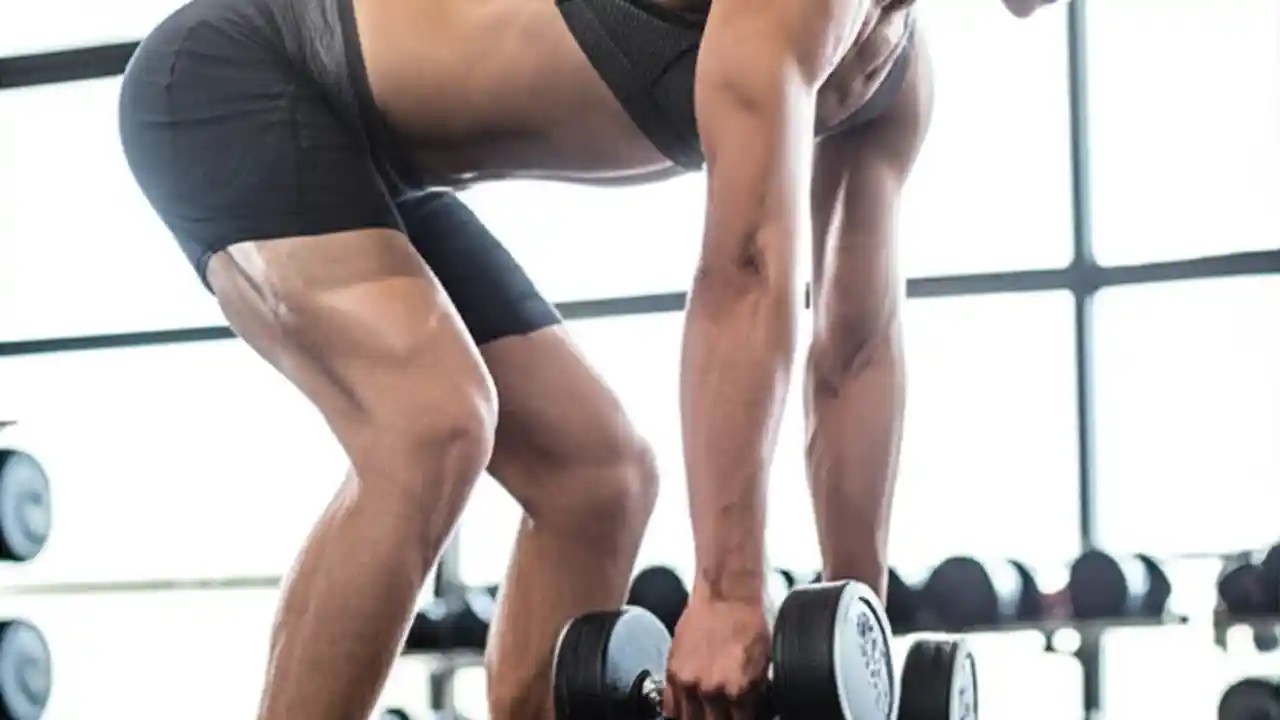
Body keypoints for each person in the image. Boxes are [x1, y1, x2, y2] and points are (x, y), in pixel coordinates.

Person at [117, 0, 1058, 716]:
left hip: (365, 154)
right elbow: (747, 269)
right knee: (435, 422)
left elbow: (854, 352)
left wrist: (853, 624)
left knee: (600, 478)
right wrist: (727, 592)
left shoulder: (894, 77)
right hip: (243, 76)